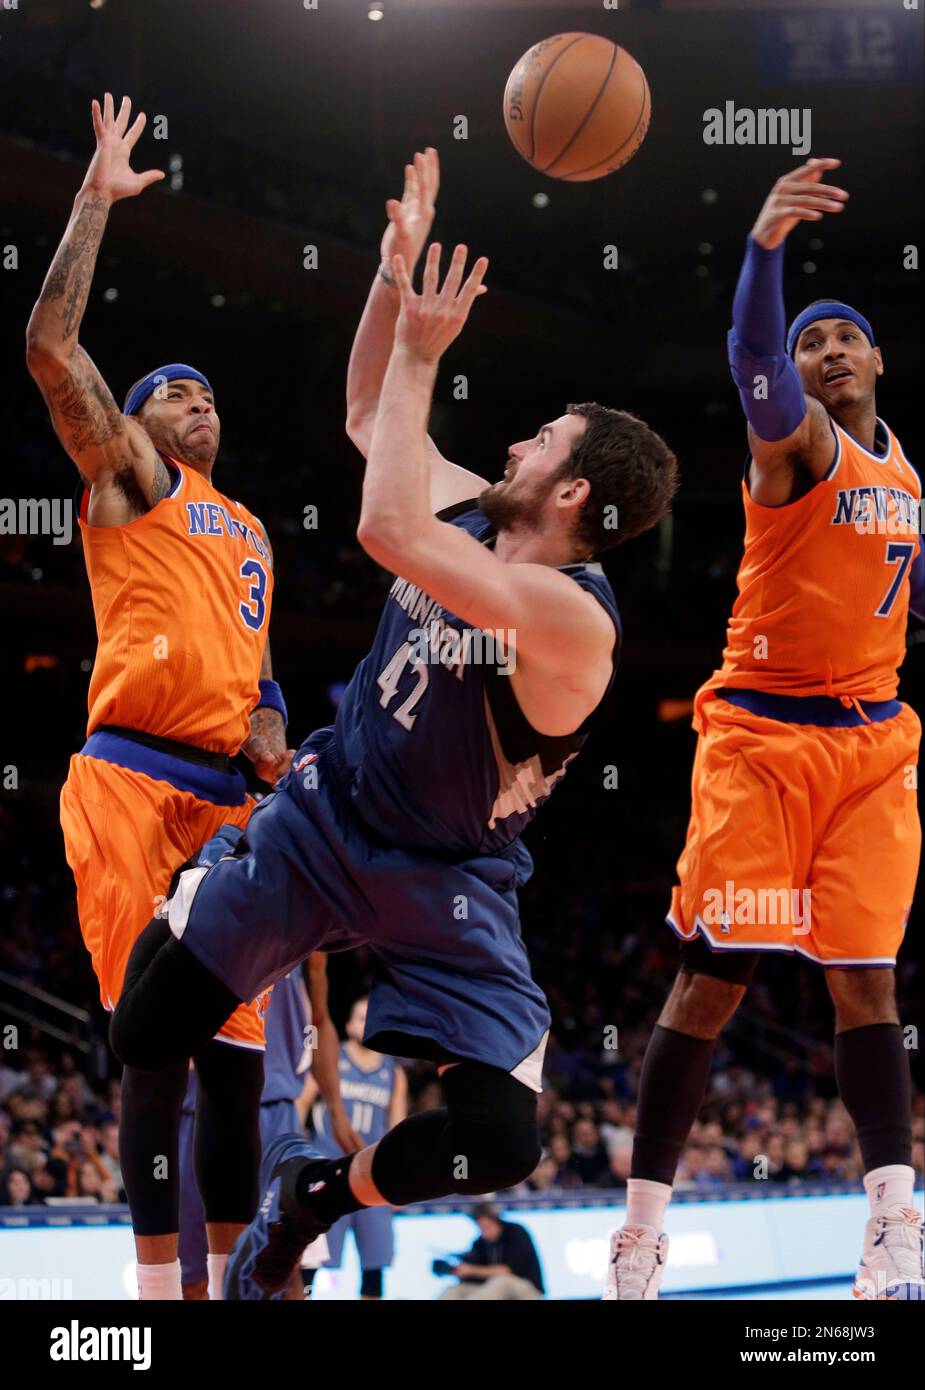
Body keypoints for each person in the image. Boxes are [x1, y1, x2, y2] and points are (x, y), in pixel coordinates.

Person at [110, 149, 678, 1301]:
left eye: (543, 441)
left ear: (571, 494)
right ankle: (206, 909)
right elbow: (371, 411)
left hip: (449, 878)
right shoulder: (480, 505)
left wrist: (428, 350)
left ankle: (321, 1195)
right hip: (329, 814)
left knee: (501, 1140)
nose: (517, 442)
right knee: (146, 1026)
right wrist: (388, 276)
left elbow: (382, 533)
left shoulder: (571, 626)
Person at [604, 158, 924, 1302]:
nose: (827, 349)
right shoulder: (791, 446)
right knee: (715, 978)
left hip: (874, 744)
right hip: (760, 736)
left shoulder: (906, 475)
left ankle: (891, 1228)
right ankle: (640, 1233)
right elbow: (750, 358)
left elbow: (902, 598)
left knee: (868, 986)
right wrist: (763, 250)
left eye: (847, 337)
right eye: (810, 340)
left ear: (877, 359)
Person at [25, 93, 293, 1300]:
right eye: (174, 392)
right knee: (154, 1054)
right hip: (133, 780)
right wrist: (94, 198)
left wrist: (278, 728)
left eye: (209, 396)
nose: (200, 403)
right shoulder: (134, 483)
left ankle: (229, 1284)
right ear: (132, 426)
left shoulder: (250, 532)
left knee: (238, 1069)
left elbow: (261, 668)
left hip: (232, 808)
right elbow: (48, 347)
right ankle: (149, 1299)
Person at [178, 954, 361, 1300]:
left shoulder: (312, 920)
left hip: (275, 1113)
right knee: (193, 1277)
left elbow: (318, 1022)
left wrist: (336, 1109)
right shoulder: (189, 908)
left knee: (287, 1271)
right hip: (197, 1109)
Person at [303, 996, 407, 1300]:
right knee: (312, 1260)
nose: (365, 1023)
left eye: (371, 1017)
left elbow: (397, 1129)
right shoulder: (331, 1059)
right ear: (348, 1024)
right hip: (327, 1168)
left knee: (374, 1264)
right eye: (360, 1017)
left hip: (372, 1175)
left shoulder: (393, 1072)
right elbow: (300, 1104)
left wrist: (399, 1179)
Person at [437, 1203, 544, 1300]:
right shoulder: (480, 1243)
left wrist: (471, 1270)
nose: (486, 1232)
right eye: (481, 1228)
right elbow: (475, 1272)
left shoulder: (515, 1232)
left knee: (502, 1281)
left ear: (496, 1220)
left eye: (488, 1226)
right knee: (454, 1290)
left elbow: (506, 1271)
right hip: (492, 1289)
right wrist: (459, 1271)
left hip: (527, 1289)